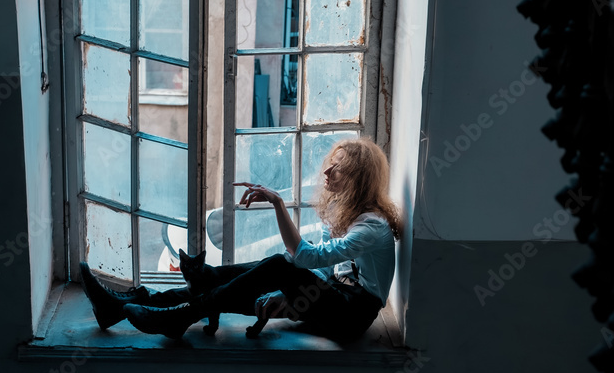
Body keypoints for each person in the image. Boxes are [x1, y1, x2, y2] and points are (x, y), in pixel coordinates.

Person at [79, 137, 401, 342]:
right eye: (330, 163)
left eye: (338, 168)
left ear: (358, 180)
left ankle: (179, 318)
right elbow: (327, 273)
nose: (327, 171)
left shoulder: (370, 227)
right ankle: (121, 306)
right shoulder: (354, 217)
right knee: (230, 284)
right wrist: (286, 295)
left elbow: (304, 257)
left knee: (278, 263)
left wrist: (276, 202)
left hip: (350, 315)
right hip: (332, 300)